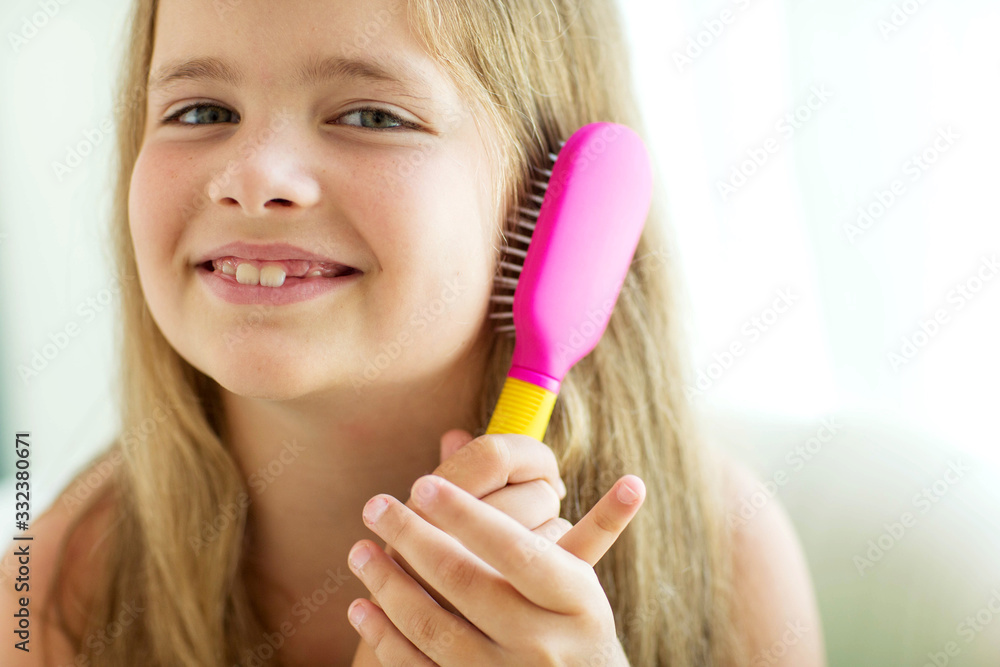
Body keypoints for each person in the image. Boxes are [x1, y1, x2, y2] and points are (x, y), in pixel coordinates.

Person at [1, 0, 826, 664]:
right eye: (202, 108)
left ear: (550, 199)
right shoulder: (50, 595)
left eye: (370, 114)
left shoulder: (726, 555)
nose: (254, 175)